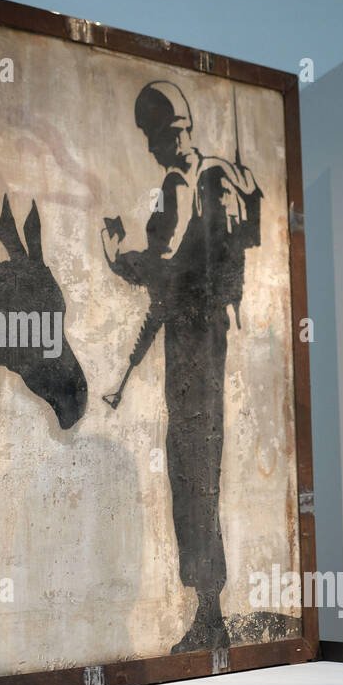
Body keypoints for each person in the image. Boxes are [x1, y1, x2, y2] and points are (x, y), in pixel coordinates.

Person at [101, 81, 262, 653]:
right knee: (202, 461)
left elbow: (161, 269)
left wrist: (117, 254)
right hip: (210, 334)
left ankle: (208, 612)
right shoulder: (217, 175)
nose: (149, 150)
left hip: (191, 342)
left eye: (150, 138)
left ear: (163, 133)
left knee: (190, 466)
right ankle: (210, 607)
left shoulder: (177, 183)